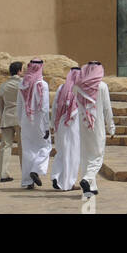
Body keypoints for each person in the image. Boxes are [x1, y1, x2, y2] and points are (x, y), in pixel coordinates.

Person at [75, 61, 115, 198]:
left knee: (86, 155)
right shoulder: (102, 86)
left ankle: (91, 187)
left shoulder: (78, 87)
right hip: (96, 126)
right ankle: (87, 179)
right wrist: (111, 127)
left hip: (83, 126)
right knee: (97, 156)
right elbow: (107, 109)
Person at [17, 59, 50, 190]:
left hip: (26, 120)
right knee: (45, 146)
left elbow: (19, 105)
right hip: (39, 121)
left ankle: (27, 181)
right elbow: (44, 108)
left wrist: (21, 121)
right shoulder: (42, 84)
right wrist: (47, 126)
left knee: (28, 150)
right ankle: (36, 170)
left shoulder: (23, 83)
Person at [51, 66, 82, 191]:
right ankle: (68, 183)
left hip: (60, 125)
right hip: (72, 126)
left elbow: (54, 107)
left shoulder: (61, 88)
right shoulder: (78, 90)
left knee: (61, 152)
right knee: (72, 154)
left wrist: (53, 124)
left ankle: (56, 177)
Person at [0, 61, 24, 182]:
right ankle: (25, 172)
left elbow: (0, 104)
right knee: (22, 147)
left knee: (5, 146)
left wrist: (2, 116)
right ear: (19, 71)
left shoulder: (4, 85)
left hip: (7, 117)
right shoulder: (23, 84)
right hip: (20, 118)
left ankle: (3, 173)